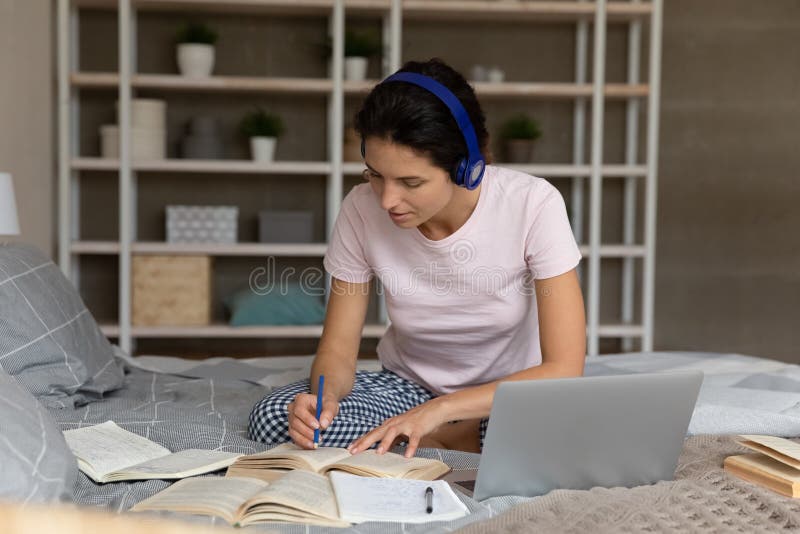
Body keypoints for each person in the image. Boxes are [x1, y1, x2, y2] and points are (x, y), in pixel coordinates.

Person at [248, 58, 586, 458]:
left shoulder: (533, 204)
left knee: (567, 436)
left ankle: (433, 440)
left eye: (411, 182)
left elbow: (564, 369)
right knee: (272, 418)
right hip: (409, 389)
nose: (388, 200)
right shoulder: (360, 210)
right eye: (374, 174)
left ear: (466, 168)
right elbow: (338, 351)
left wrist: (441, 411)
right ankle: (441, 444)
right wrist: (323, 401)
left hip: (508, 393)